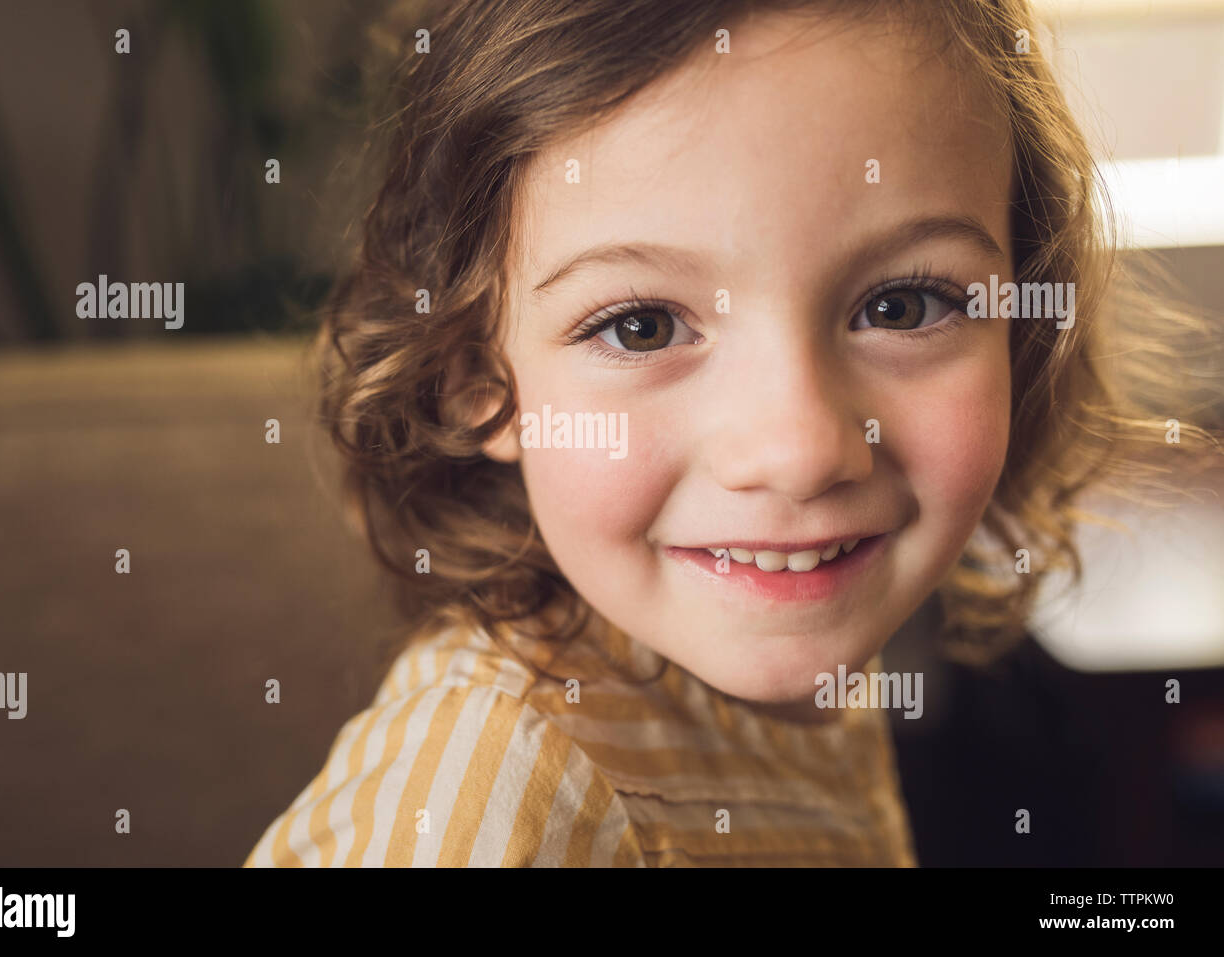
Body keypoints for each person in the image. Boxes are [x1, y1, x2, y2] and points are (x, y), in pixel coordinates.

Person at [246, 0, 1222, 867]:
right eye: (643, 326)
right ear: (478, 383)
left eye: (902, 304)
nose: (800, 450)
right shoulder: (496, 799)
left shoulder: (789, 675)